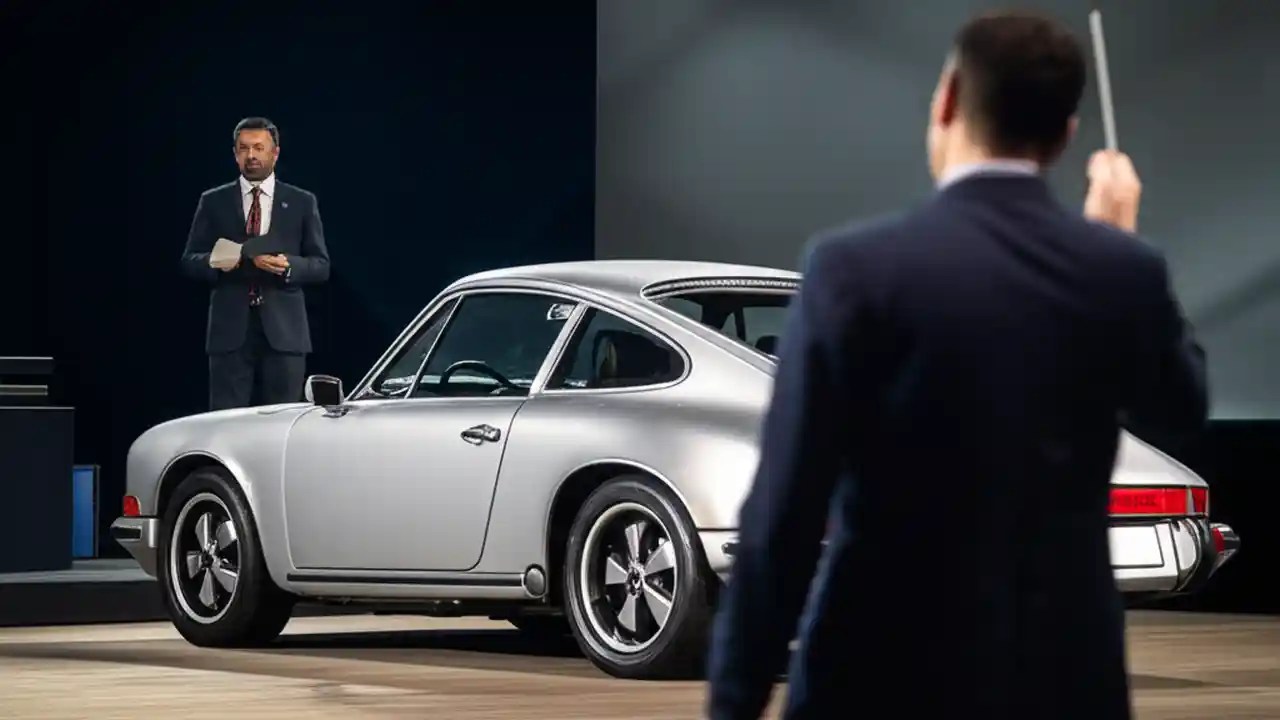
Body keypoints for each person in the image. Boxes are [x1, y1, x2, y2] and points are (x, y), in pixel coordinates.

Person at [705, 10, 1206, 720]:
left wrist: (735, 700)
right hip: (1063, 682)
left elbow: (783, 513)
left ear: (946, 101)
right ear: (1065, 136)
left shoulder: (852, 270)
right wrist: (1119, 246)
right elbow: (1180, 411)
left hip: (874, 678)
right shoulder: (1122, 271)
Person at [181, 117, 331, 410]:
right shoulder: (213, 201)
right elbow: (189, 260)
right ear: (235, 153)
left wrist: (288, 266)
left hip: (285, 332)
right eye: (244, 148)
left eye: (259, 148)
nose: (251, 155)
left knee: (283, 418)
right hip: (230, 331)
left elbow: (321, 265)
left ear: (274, 153)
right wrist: (222, 262)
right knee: (225, 420)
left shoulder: (301, 201)